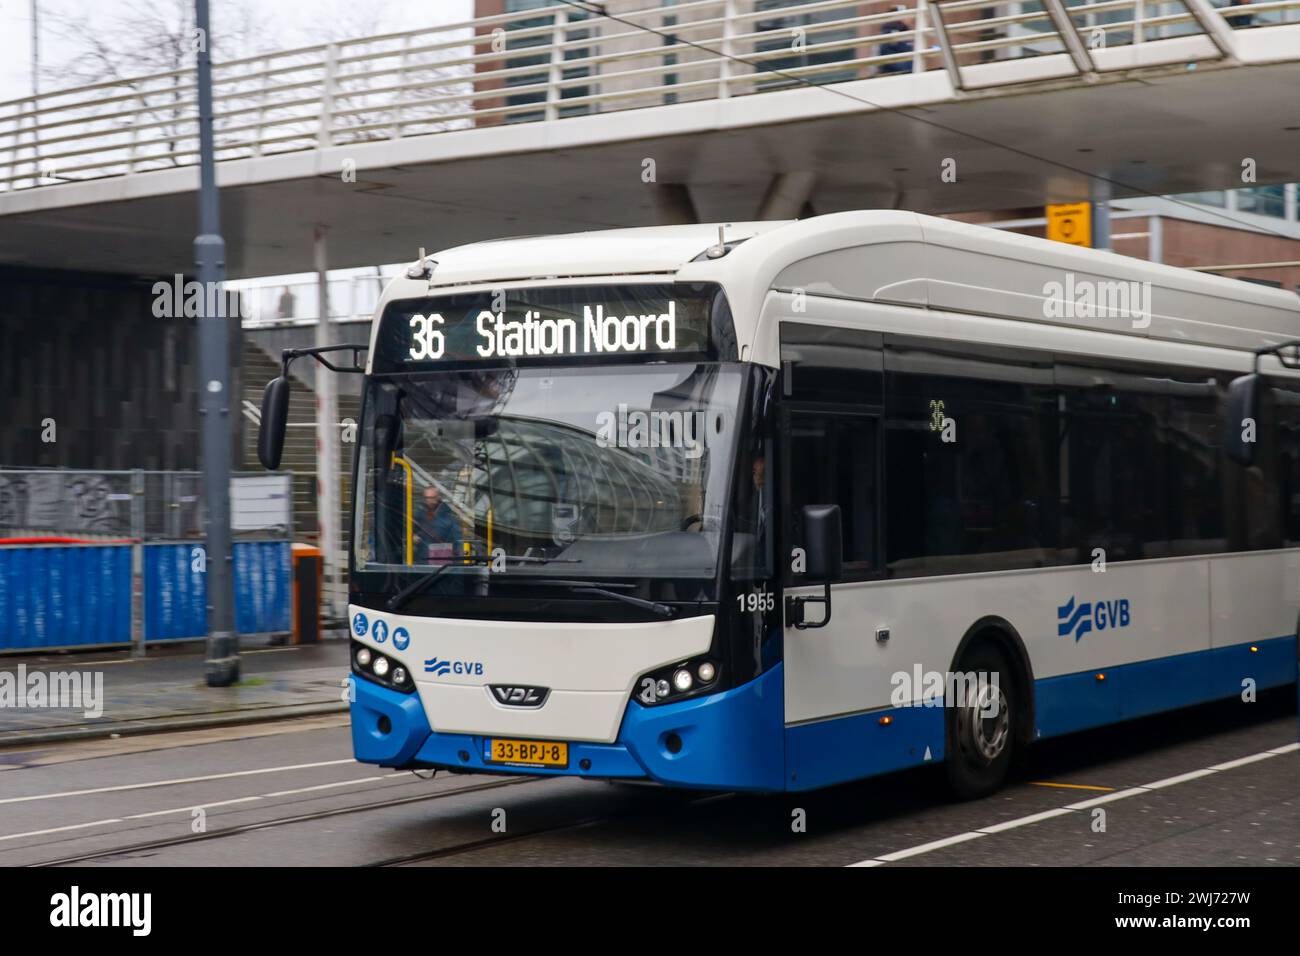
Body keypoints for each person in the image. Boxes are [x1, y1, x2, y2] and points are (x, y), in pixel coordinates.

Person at [413, 484, 461, 564]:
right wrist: (413, 536)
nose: (430, 500)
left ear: (438, 497)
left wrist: (457, 559)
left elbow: (457, 538)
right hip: (423, 558)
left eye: (432, 497)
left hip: (442, 558)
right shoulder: (419, 513)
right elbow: (411, 530)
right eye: (427, 498)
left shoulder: (449, 515)